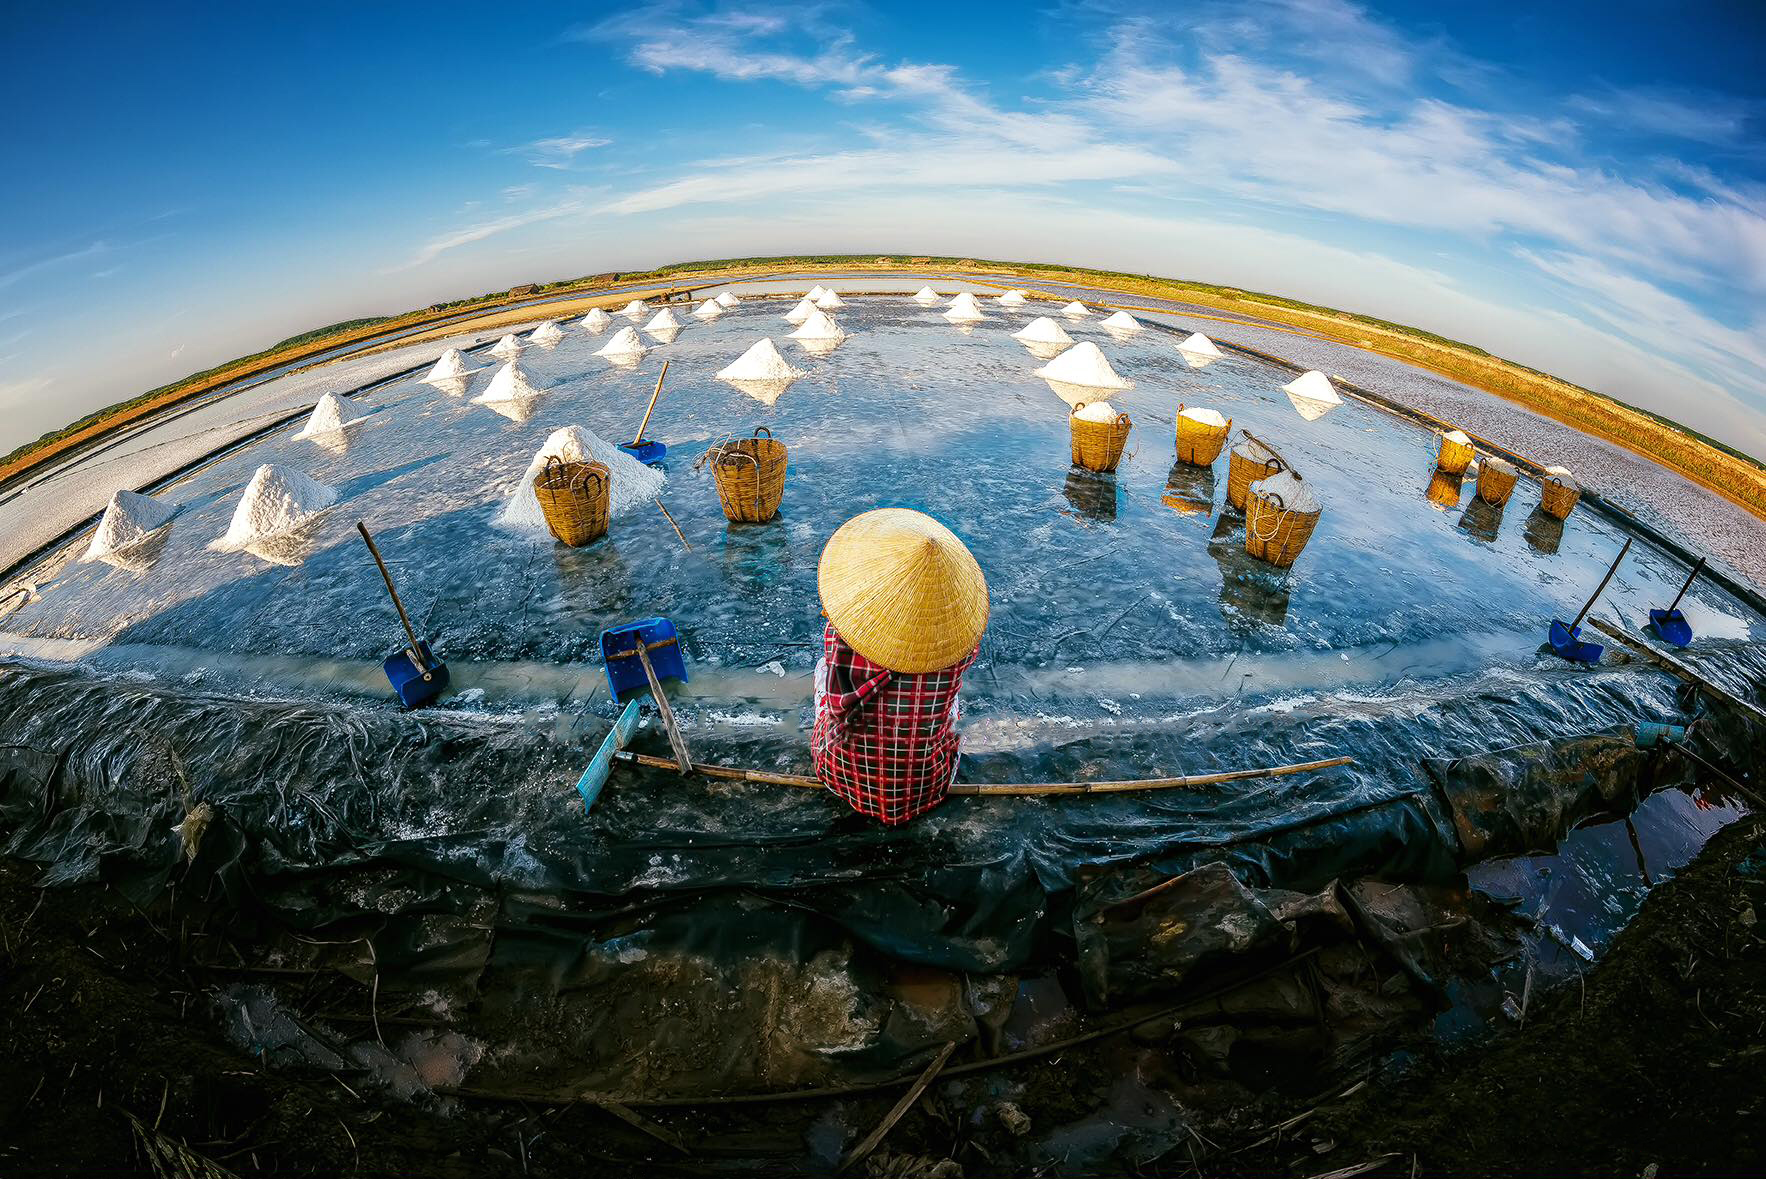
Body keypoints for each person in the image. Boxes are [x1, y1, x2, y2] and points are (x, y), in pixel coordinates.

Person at [811, 508, 990, 824]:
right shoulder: (957, 653)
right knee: (951, 702)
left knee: (822, 670)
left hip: (838, 772)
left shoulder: (838, 639)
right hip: (926, 785)